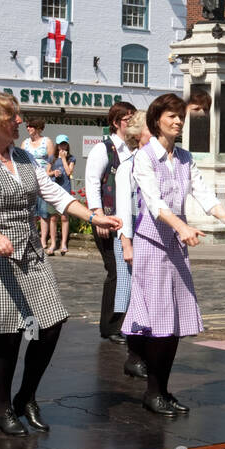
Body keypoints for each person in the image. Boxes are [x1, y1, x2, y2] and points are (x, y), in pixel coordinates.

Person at [0, 92, 120, 435]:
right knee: (9, 333)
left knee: (50, 324)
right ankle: (2, 408)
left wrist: (94, 217)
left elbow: (56, 195)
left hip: (30, 249)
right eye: (13, 117)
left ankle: (26, 396)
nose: (20, 121)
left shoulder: (23, 157)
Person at [122, 93, 225, 415]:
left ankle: (164, 390)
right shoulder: (144, 158)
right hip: (152, 245)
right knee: (160, 324)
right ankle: (153, 392)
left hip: (176, 246)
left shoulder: (185, 158)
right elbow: (155, 203)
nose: (178, 121)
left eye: (181, 117)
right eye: (171, 116)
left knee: (174, 323)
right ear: (156, 120)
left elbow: (205, 195)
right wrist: (182, 227)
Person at [86, 102, 137, 341]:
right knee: (116, 272)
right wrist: (98, 218)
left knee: (127, 272)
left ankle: (126, 320)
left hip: (127, 221)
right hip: (108, 219)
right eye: (128, 119)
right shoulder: (103, 149)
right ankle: (111, 326)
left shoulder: (133, 150)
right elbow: (93, 183)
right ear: (116, 123)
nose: (132, 123)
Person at [113, 111, 150, 379]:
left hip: (151, 236)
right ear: (138, 136)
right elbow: (123, 208)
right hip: (132, 234)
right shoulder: (128, 165)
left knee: (150, 295)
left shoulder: (157, 163)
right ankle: (134, 354)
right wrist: (127, 244)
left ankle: (144, 350)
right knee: (133, 295)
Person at [21, 118, 57, 253]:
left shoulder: (46, 141)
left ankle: (42, 240)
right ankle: (32, 238)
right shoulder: (25, 143)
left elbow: (51, 159)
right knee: (31, 212)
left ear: (38, 128)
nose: (28, 128)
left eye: (31, 126)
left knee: (43, 213)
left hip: (43, 180)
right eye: (27, 126)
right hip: (29, 180)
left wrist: (48, 173)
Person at [52, 135, 75, 255]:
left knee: (64, 217)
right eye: (60, 144)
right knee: (53, 217)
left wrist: (64, 159)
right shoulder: (52, 158)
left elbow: (69, 172)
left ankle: (63, 243)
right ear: (57, 145)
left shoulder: (71, 158)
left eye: (64, 144)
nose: (62, 146)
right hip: (54, 190)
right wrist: (53, 172)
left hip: (65, 190)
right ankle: (53, 243)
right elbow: (47, 172)